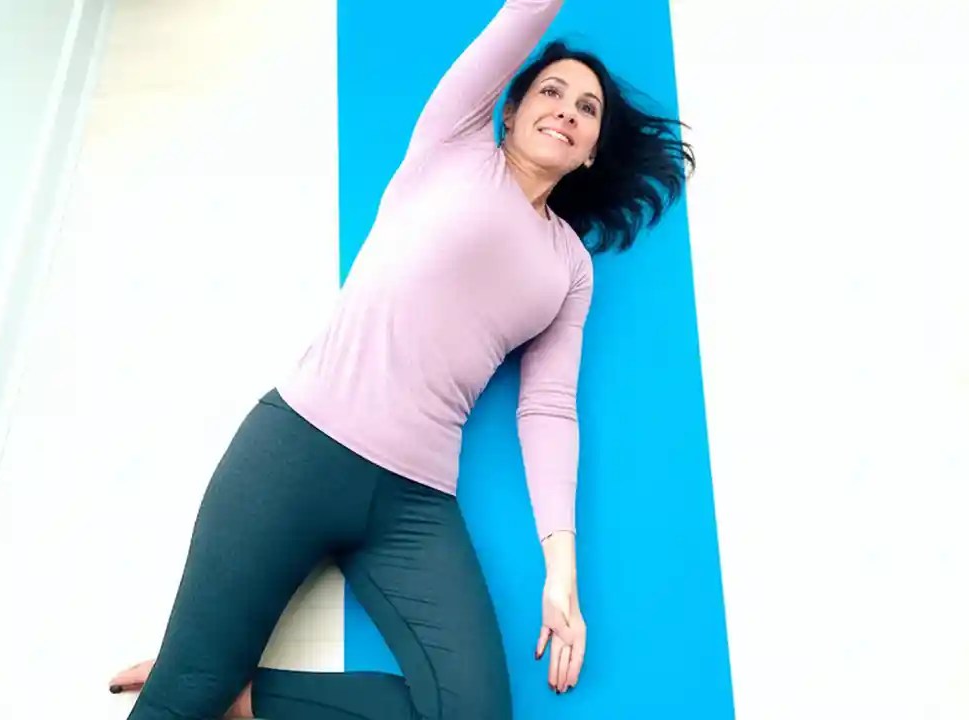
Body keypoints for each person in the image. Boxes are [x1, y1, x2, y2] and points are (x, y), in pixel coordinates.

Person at [109, 1, 694, 717]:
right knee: (180, 700)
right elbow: (526, 12)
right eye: (550, 91)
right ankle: (201, 677)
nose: (567, 110)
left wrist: (561, 576)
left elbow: (547, 407)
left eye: (587, 108)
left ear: (594, 149)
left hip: (414, 503)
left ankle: (249, 696)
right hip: (298, 449)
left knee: (475, 713)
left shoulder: (570, 267)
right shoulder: (452, 145)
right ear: (509, 111)